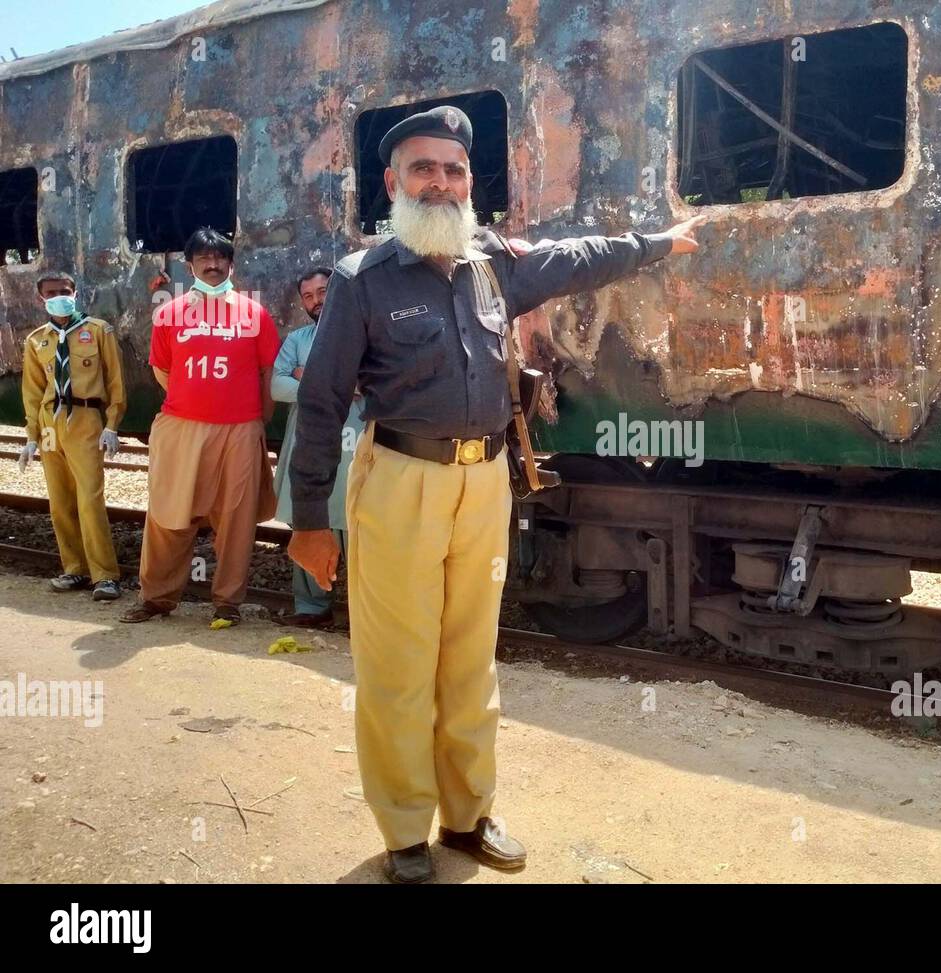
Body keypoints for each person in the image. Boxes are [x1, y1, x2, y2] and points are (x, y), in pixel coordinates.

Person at [287, 104, 705, 883]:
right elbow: (318, 407)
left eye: (453, 170)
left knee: (471, 659)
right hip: (400, 483)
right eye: (424, 169)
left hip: (484, 485)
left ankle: (468, 816)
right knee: (399, 664)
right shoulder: (361, 282)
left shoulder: (491, 264)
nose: (441, 183)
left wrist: (656, 244)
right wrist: (309, 521)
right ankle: (407, 831)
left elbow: (578, 257)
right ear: (393, 182)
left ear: (468, 181)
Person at [120, 227, 280, 626]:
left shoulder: (253, 312)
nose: (213, 264)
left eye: (220, 257)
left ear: (230, 263)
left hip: (240, 428)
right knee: (168, 513)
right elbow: (162, 370)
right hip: (182, 426)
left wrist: (255, 420)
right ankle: (156, 597)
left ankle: (227, 602)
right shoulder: (170, 313)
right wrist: (195, 401)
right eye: (204, 258)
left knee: (236, 519)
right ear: (189, 264)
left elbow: (266, 372)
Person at [18, 271, 126, 600]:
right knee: (59, 501)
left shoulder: (97, 331)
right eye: (51, 292)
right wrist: (32, 435)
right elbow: (33, 392)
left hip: (86, 418)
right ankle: (74, 568)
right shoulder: (37, 340)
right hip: (51, 422)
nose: (59, 296)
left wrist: (112, 424)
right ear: (41, 299)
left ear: (75, 291)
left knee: (90, 498)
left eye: (64, 290)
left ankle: (105, 575)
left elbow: (115, 382)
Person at [270, 267, 364, 628]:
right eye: (308, 296)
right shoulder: (297, 339)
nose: (316, 302)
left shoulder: (366, 334)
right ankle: (311, 607)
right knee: (310, 520)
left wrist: (305, 377)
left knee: (358, 525)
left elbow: (374, 387)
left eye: (323, 292)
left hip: (356, 445)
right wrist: (340, 386)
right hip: (310, 442)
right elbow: (277, 387)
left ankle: (363, 614)